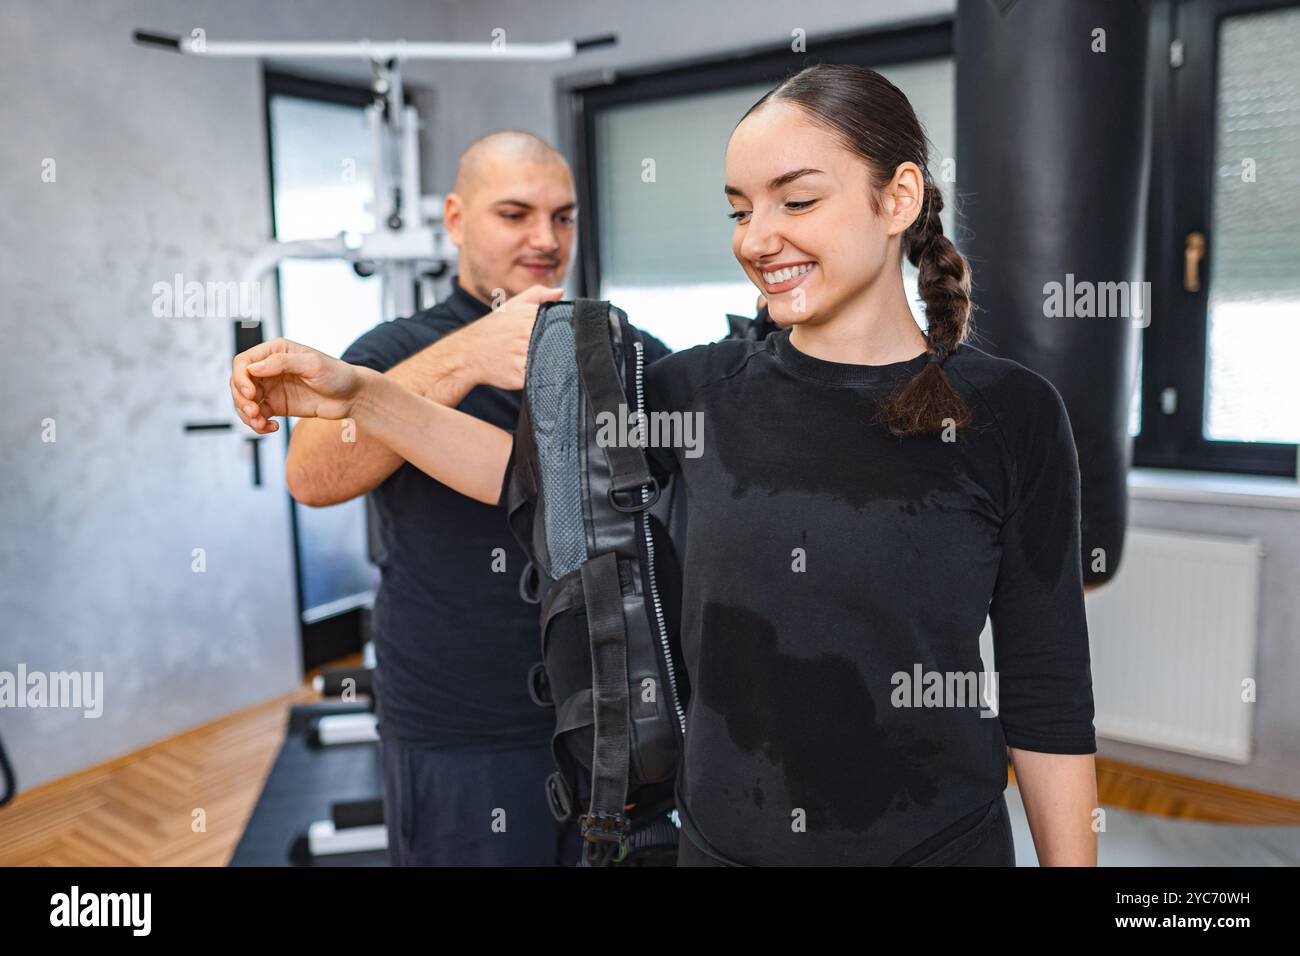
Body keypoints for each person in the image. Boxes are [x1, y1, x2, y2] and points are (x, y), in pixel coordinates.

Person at [230, 64, 1098, 867]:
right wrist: (363, 394)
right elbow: (532, 475)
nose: (759, 238)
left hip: (939, 848)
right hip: (722, 847)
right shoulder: (698, 387)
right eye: (738, 209)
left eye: (796, 201)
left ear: (898, 196)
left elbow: (1048, 694)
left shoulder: (1012, 415)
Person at [257, 129, 669, 866]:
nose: (546, 238)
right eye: (515, 214)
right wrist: (472, 353)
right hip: (459, 724)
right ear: (455, 219)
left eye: (564, 216)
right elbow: (312, 477)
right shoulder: (392, 350)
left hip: (609, 715)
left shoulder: (616, 349)